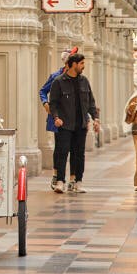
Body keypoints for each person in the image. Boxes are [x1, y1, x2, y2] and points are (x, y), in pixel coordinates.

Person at [48, 53, 101, 194]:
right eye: (82, 63)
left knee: (79, 154)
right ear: (74, 64)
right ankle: (60, 181)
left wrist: (95, 118)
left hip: (81, 125)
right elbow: (53, 104)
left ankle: (77, 182)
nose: (83, 66)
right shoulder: (59, 82)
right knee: (62, 153)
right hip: (64, 124)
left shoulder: (84, 81)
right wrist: (56, 118)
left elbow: (91, 102)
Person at [39, 46, 78, 189]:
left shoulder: (78, 77)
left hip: (74, 118)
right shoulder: (55, 76)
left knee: (74, 149)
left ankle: (73, 179)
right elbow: (43, 90)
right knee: (60, 148)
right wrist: (45, 103)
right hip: (59, 117)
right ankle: (57, 176)